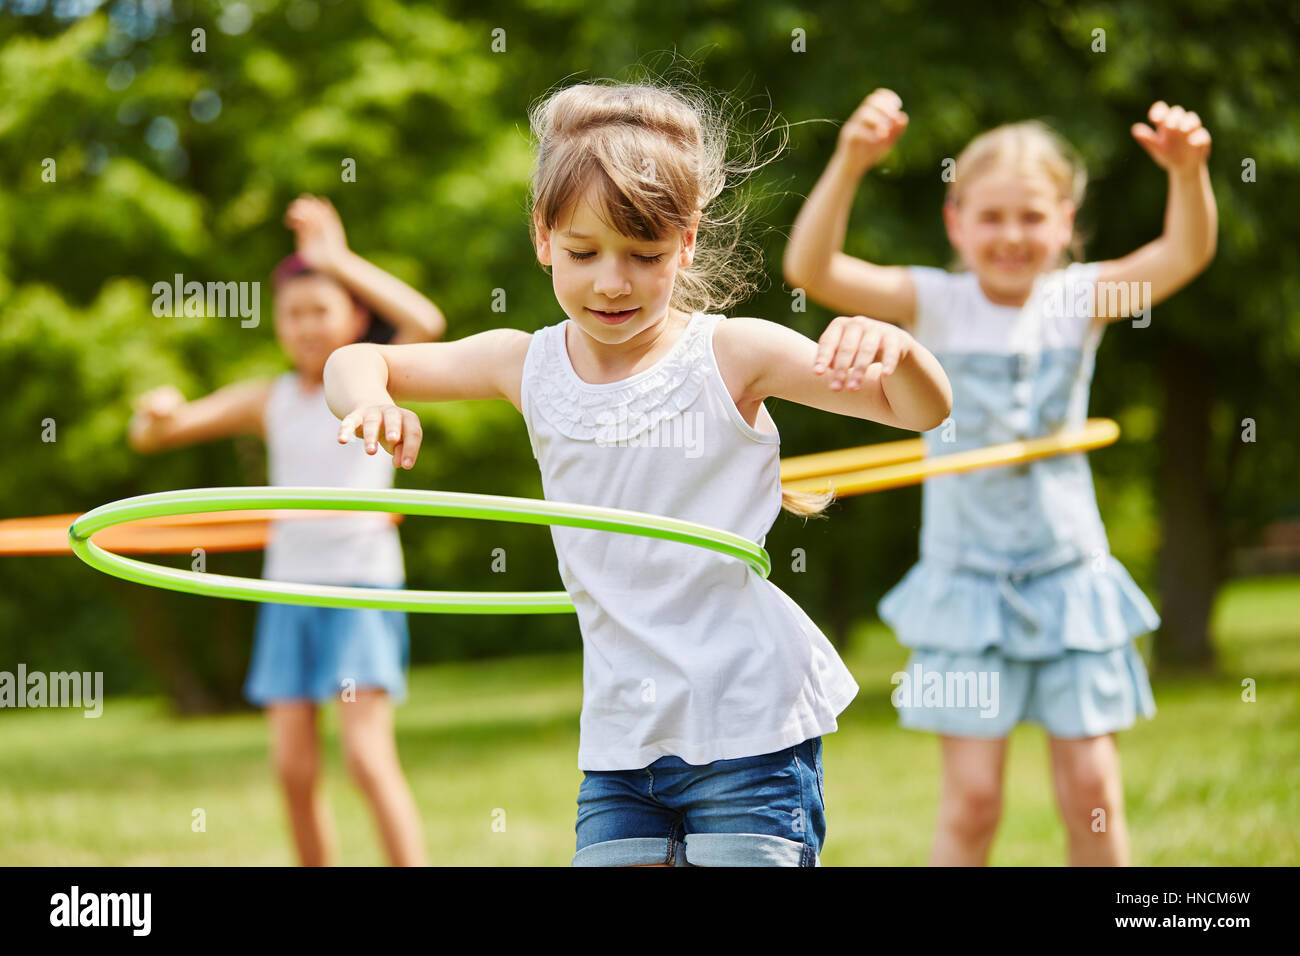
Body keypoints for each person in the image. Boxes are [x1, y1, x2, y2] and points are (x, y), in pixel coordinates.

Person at [322, 80, 952, 867]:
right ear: (543, 236)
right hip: (621, 744)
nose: (611, 282)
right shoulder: (525, 363)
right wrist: (372, 401)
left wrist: (900, 348)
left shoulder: (734, 354)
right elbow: (354, 358)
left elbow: (917, 410)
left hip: (747, 728)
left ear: (686, 242)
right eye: (584, 253)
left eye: (644, 255)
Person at [784, 89, 1216, 865]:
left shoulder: (1079, 300)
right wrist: (851, 161)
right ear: (956, 222)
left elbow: (1182, 256)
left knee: (1092, 793)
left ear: (1064, 227)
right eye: (990, 217)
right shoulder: (933, 303)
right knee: (974, 800)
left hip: (1068, 580)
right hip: (965, 589)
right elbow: (811, 268)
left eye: (1032, 217)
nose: (1011, 235)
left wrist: (1188, 174)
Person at [129, 194, 446, 866]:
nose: (306, 328)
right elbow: (158, 434)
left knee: (366, 758)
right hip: (289, 592)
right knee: (293, 770)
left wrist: (337, 258)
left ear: (355, 318)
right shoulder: (267, 400)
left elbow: (426, 320)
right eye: (293, 315)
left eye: (320, 311)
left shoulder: (374, 380)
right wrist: (155, 414)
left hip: (361, 588)